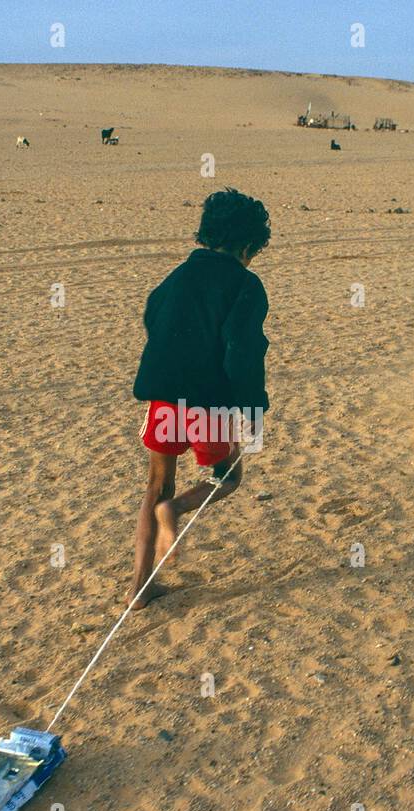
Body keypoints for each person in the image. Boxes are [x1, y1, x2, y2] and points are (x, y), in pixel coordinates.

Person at [126, 189, 272, 609]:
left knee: (155, 484)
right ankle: (176, 509)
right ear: (249, 246)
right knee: (227, 477)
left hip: (163, 397)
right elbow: (244, 352)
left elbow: (152, 316)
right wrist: (251, 410)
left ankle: (139, 587)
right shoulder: (245, 284)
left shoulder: (175, 277)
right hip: (211, 403)